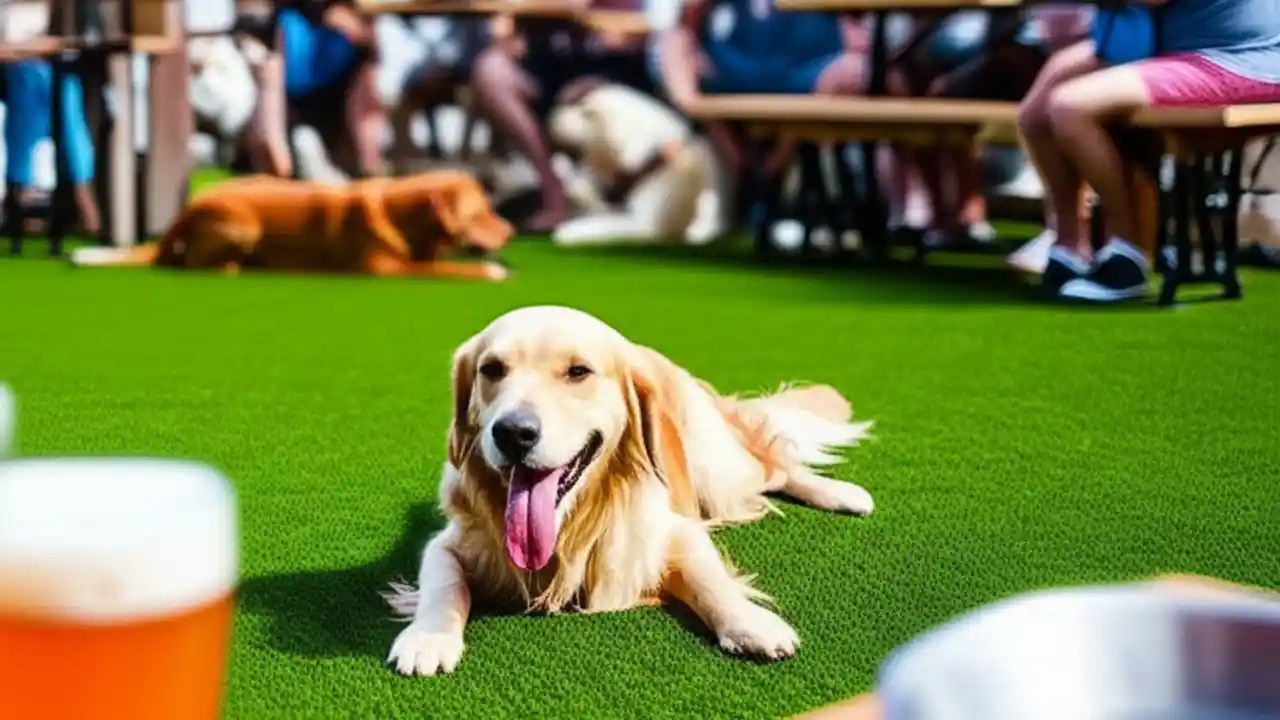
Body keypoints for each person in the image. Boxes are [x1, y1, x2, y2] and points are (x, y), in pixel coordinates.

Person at [1026, 0, 1280, 302]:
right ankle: (1070, 245)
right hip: (1175, 51)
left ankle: (1126, 252)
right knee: (1036, 114)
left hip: (1240, 60)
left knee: (1070, 107)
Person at [652, 0, 866, 220]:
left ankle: (767, 177)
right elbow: (686, 20)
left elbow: (855, 29)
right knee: (683, 60)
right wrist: (690, 102)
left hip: (807, 67)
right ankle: (750, 178)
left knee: (843, 77)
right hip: (743, 69)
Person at [468, 1, 654, 233]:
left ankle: (616, 194)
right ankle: (554, 192)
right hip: (550, 79)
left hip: (611, 74)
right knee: (491, 69)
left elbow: (627, 30)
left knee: (601, 113)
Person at [242, 0, 386, 179]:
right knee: (270, 68)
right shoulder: (282, 20)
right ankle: (277, 170)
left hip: (336, 107)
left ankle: (368, 171)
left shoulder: (356, 27)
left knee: (367, 74)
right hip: (289, 107)